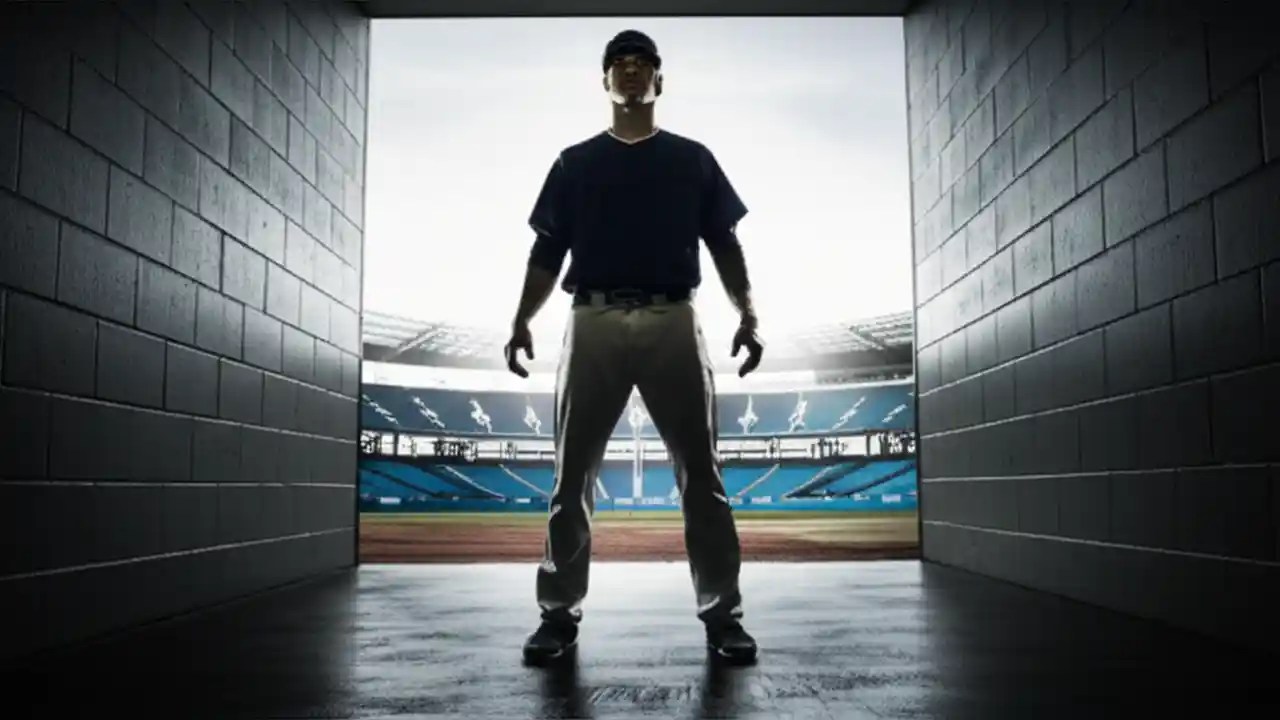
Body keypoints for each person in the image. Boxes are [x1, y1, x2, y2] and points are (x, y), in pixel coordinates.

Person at [503, 29, 765, 666]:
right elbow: (546, 252)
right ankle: (557, 616)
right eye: (618, 62)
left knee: (702, 477)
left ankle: (722, 616)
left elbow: (725, 245)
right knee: (572, 478)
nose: (629, 70)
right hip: (590, 317)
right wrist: (520, 320)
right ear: (604, 80)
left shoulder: (692, 158)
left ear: (658, 80)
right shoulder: (574, 162)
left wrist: (749, 314)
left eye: (642, 62)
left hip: (673, 316)